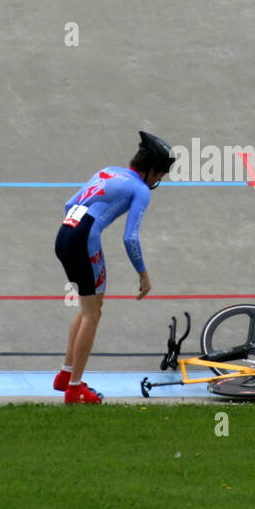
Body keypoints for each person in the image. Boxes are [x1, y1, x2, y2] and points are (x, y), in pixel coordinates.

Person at [53, 131, 175, 404]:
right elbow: (130, 237)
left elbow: (69, 203)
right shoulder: (140, 190)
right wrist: (143, 275)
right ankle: (74, 390)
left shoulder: (108, 171)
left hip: (65, 234)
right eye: (160, 175)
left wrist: (76, 235)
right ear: (151, 170)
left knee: (87, 309)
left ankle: (65, 375)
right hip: (84, 239)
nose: (159, 181)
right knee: (93, 314)